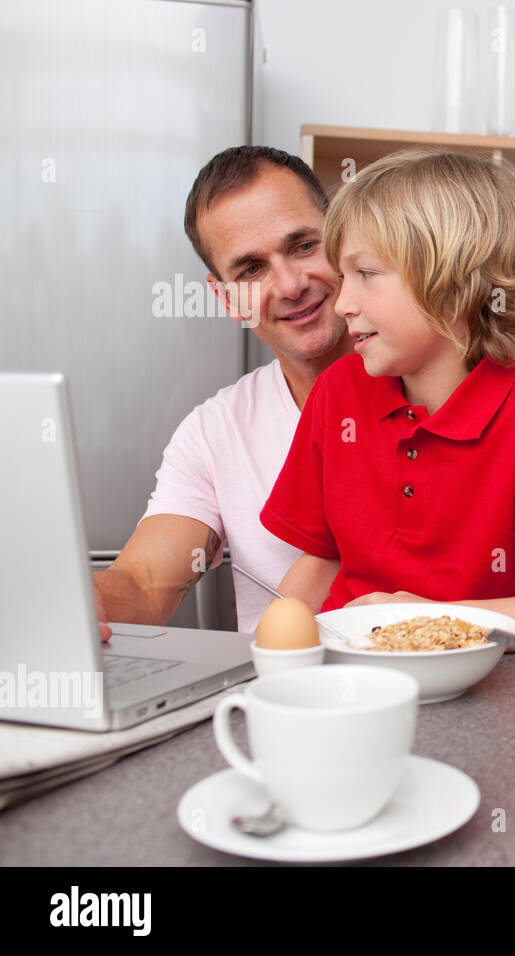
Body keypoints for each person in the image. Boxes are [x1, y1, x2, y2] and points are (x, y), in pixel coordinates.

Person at [259, 148, 515, 644]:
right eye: (343, 278)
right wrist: (268, 655)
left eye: (365, 274)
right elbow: (322, 558)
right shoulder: (338, 393)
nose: (343, 303)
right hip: (357, 677)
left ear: (454, 286)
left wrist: (447, 620)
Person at [93, 146, 352, 637]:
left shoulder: (437, 386)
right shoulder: (215, 432)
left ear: (343, 239)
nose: (291, 284)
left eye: (303, 245)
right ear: (227, 299)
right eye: (251, 269)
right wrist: (90, 602)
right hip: (270, 699)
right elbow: (147, 582)